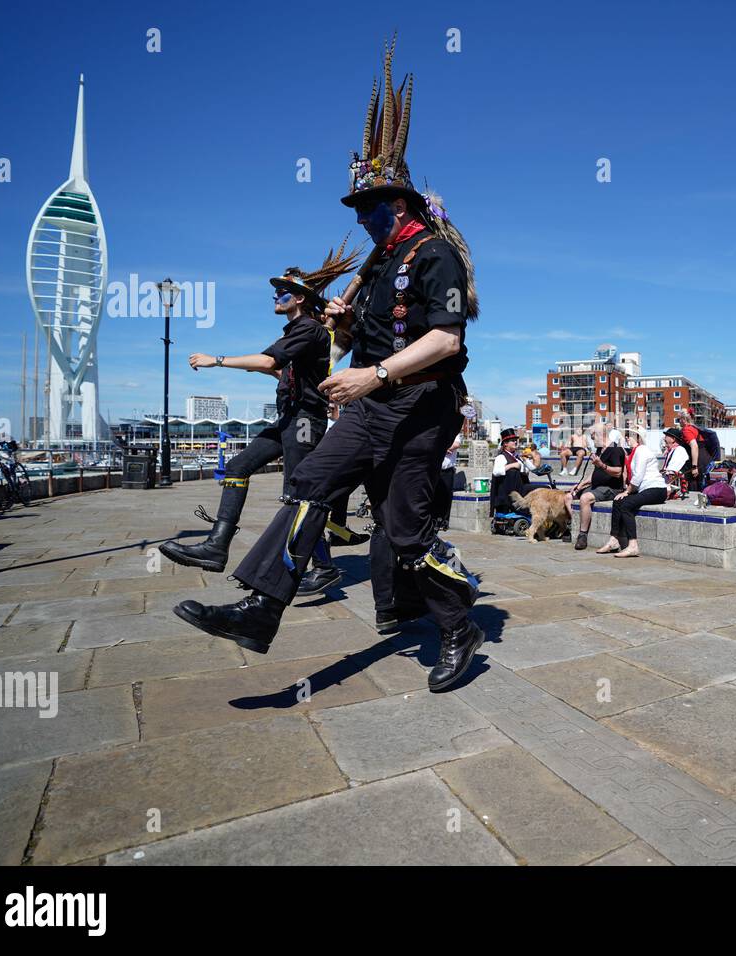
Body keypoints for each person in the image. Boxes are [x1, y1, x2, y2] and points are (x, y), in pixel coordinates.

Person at [173, 38, 485, 692]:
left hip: (420, 410)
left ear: (399, 203)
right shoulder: (378, 269)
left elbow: (446, 343)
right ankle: (261, 609)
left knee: (404, 537)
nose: (363, 218)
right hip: (371, 411)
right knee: (309, 480)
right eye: (357, 210)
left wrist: (374, 374)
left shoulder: (435, 256)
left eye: (370, 208)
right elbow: (369, 337)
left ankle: (459, 626)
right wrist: (345, 327)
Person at [160, 243, 359, 597]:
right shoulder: (300, 331)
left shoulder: (309, 329)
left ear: (300, 298)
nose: (276, 297)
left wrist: (215, 360)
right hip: (288, 418)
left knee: (299, 496)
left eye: (283, 292)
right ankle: (217, 546)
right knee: (237, 467)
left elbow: (269, 362)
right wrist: (270, 371)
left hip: (303, 421)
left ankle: (324, 567)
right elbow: (279, 368)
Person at [596, 429, 667, 558]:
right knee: (618, 500)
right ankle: (614, 540)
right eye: (627, 435)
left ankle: (633, 545)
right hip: (645, 489)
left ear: (639, 438)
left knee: (626, 504)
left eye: (630, 435)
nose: (627, 437)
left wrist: (627, 491)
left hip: (656, 489)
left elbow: (638, 476)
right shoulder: (634, 452)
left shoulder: (642, 450)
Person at [564, 437, 625, 550]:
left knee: (585, 498)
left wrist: (601, 464)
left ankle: (582, 535)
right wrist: (581, 484)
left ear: (603, 434)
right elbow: (595, 473)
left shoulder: (615, 449)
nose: (592, 440)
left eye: (594, 437)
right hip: (596, 486)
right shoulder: (599, 450)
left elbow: (618, 472)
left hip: (611, 488)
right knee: (568, 497)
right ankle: (575, 525)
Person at [491, 427, 534, 517]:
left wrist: (525, 464)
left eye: (516, 440)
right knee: (541, 489)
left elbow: (532, 469)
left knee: (544, 488)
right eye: (513, 440)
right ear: (505, 444)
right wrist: (512, 465)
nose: (515, 442)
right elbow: (496, 472)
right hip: (511, 491)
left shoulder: (518, 456)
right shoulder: (501, 457)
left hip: (521, 486)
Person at [437, 432, 462, 531]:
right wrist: (444, 448)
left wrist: (441, 448)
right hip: (435, 469)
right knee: (435, 495)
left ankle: (444, 521)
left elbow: (456, 444)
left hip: (447, 470)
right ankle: (434, 519)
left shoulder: (455, 433)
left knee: (446, 495)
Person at [659, 427, 690, 498]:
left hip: (674, 488)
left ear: (673, 439)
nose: (664, 438)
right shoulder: (671, 451)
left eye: (667, 436)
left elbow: (671, 472)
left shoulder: (680, 450)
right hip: (668, 485)